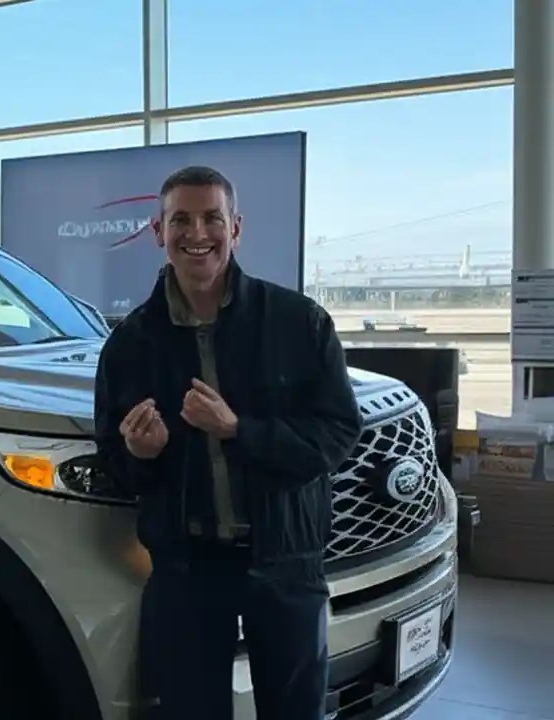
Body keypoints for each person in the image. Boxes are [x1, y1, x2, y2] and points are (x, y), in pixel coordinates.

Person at [94, 166, 363, 719]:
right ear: (157, 232)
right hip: (185, 570)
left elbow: (337, 435)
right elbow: (115, 465)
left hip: (286, 561)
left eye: (212, 218)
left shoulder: (299, 323)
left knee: (295, 710)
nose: (198, 233)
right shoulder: (129, 344)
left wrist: (240, 430)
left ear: (235, 229)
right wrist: (140, 456)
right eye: (181, 220)